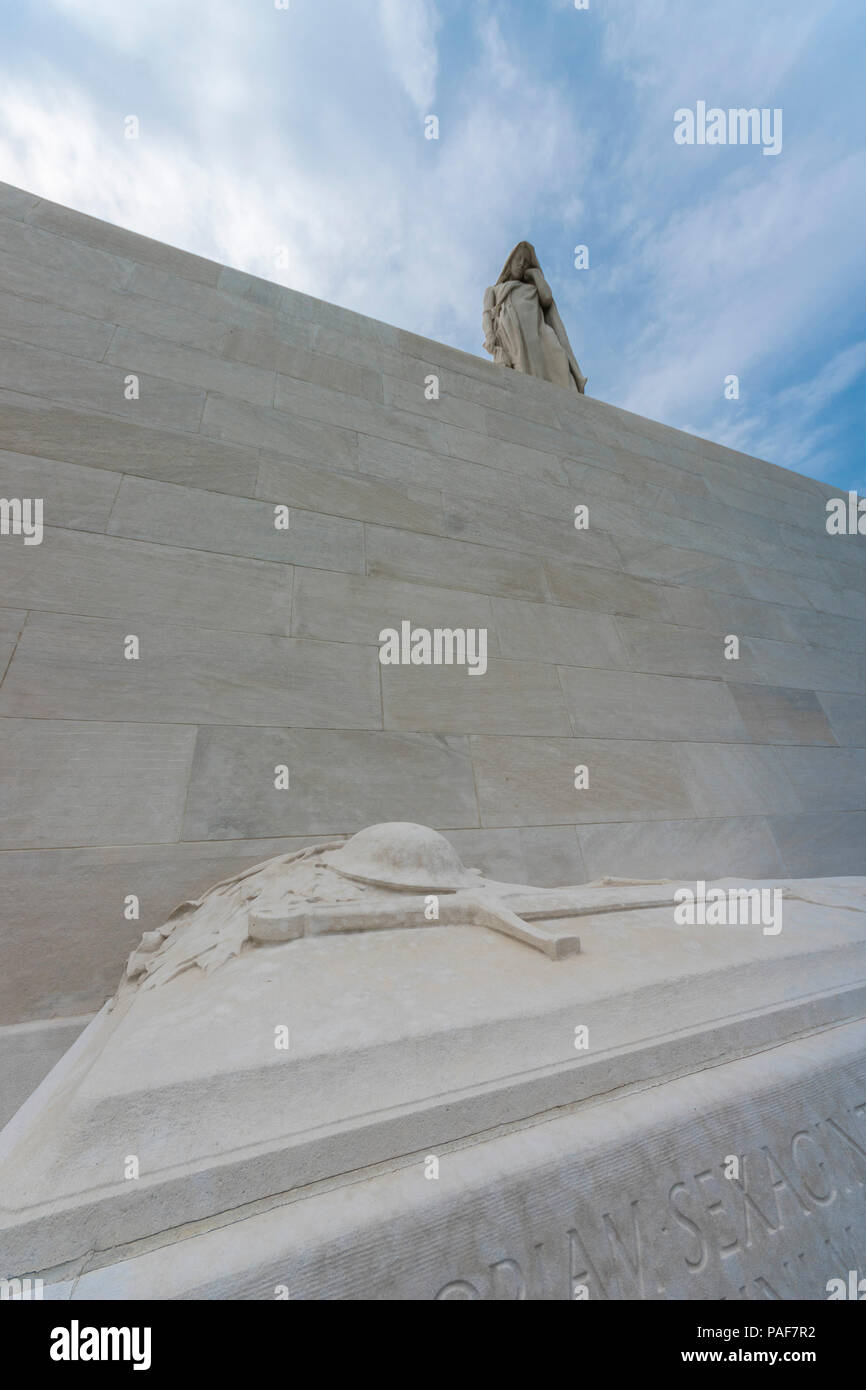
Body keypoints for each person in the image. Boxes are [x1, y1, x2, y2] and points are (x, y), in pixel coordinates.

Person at [482, 240, 587, 393]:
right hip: (515, 336)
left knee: (560, 363)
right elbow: (486, 315)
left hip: (540, 335)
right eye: (519, 259)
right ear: (510, 262)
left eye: (526, 262)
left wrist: (536, 275)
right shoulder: (493, 290)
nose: (522, 264)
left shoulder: (532, 288)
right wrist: (490, 335)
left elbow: (547, 299)